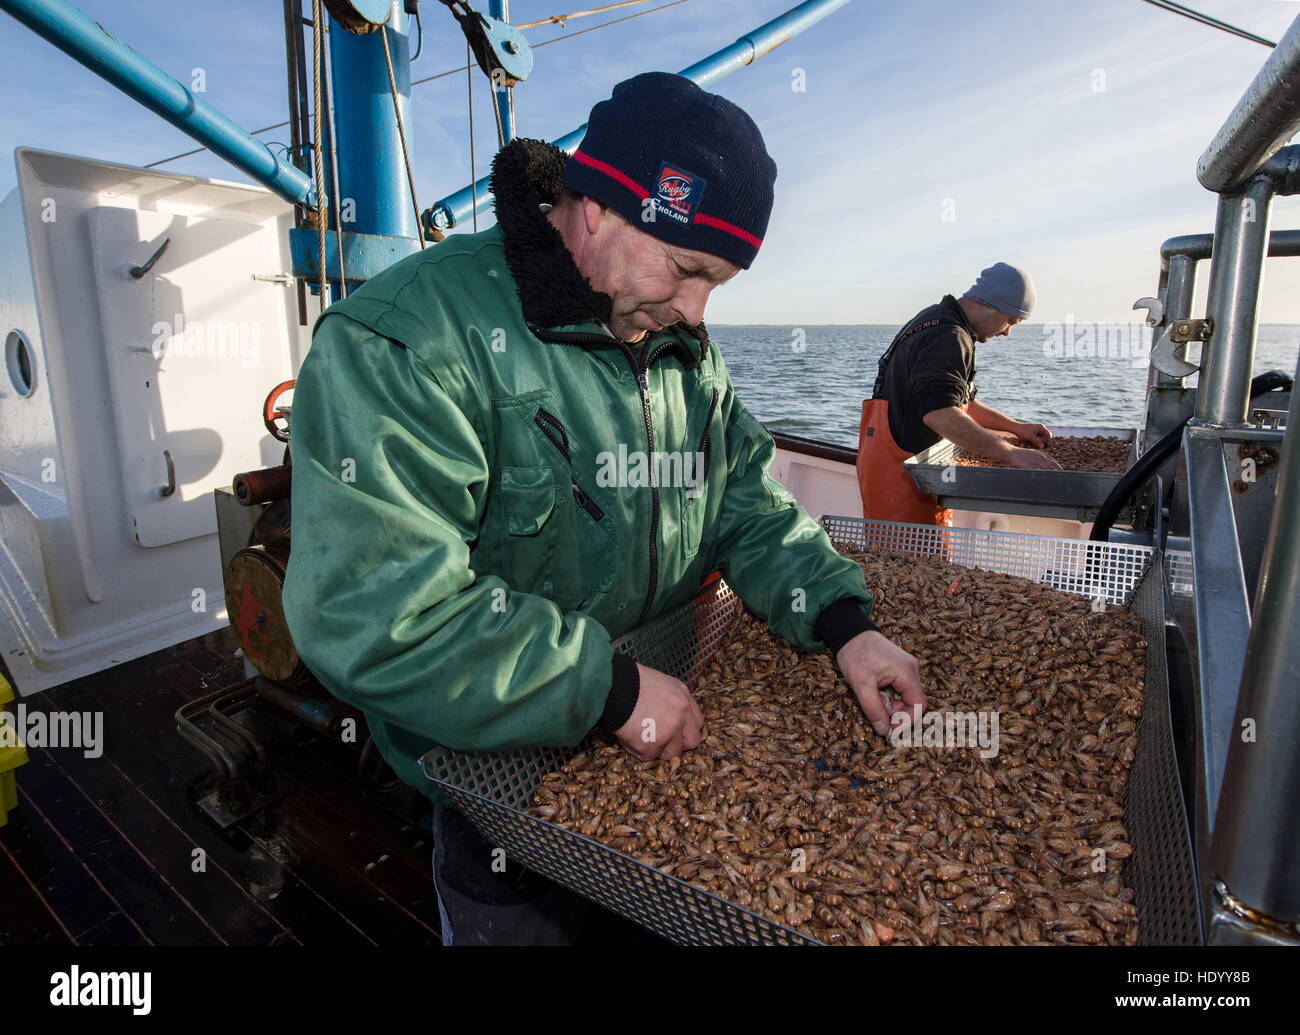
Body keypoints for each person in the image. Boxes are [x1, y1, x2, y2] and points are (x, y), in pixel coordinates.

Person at [281, 72, 923, 944]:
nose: (698, 310)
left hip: (663, 714)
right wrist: (608, 690)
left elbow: (746, 500)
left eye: (717, 284)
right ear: (597, 209)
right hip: (500, 772)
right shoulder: (408, 342)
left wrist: (845, 622)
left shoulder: (677, 341)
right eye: (686, 269)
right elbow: (377, 613)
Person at [856, 263, 1062, 524]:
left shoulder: (939, 319)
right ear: (990, 304)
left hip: (913, 470)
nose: (1007, 331)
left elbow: (959, 402)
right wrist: (1010, 452)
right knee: (902, 563)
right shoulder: (948, 335)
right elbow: (940, 414)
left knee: (925, 561)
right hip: (899, 480)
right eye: (1009, 320)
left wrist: (1015, 427)